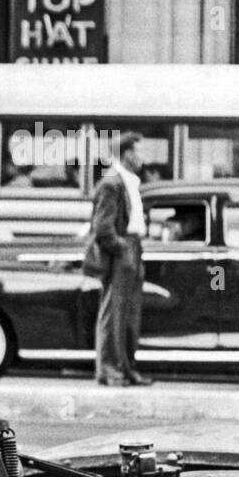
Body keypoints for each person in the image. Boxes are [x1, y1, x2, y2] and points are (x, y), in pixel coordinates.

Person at [83, 133, 152, 387]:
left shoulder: (128, 181)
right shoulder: (111, 183)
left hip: (133, 246)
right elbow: (102, 228)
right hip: (121, 250)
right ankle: (110, 370)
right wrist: (122, 248)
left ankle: (126, 368)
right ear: (128, 154)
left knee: (129, 315)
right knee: (114, 314)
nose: (143, 157)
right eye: (140, 152)